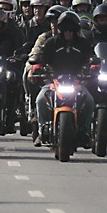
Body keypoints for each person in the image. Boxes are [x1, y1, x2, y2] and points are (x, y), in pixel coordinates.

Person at [29, 11, 95, 147]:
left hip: (77, 82)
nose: (68, 32)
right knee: (40, 99)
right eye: (65, 29)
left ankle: (85, 131)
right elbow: (41, 58)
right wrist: (36, 67)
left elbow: (91, 59)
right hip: (53, 82)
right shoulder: (51, 43)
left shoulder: (83, 44)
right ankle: (42, 131)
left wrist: (94, 68)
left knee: (89, 100)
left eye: (71, 29)